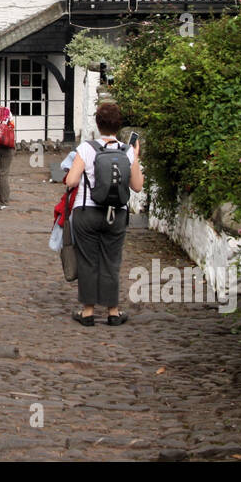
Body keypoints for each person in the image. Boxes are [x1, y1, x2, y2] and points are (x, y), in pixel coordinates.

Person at [62, 102, 143, 327]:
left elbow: (72, 181)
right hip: (116, 213)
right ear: (119, 125)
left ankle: (88, 312)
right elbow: (137, 186)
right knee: (111, 261)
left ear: (98, 124)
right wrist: (135, 158)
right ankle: (113, 311)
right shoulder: (127, 151)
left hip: (86, 211)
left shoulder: (87, 148)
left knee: (88, 260)